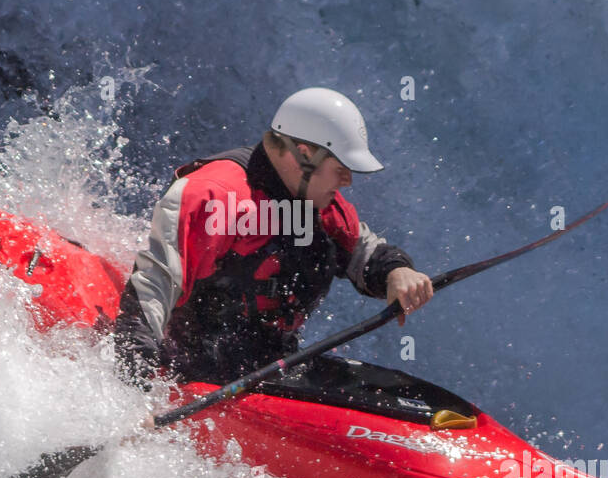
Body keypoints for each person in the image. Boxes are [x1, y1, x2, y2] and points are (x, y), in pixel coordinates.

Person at [114, 87, 433, 386]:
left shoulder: (317, 202)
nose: (348, 181)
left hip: (268, 366)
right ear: (305, 155)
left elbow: (364, 251)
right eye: (341, 169)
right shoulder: (216, 196)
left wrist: (397, 273)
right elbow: (153, 287)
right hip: (189, 366)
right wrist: (134, 383)